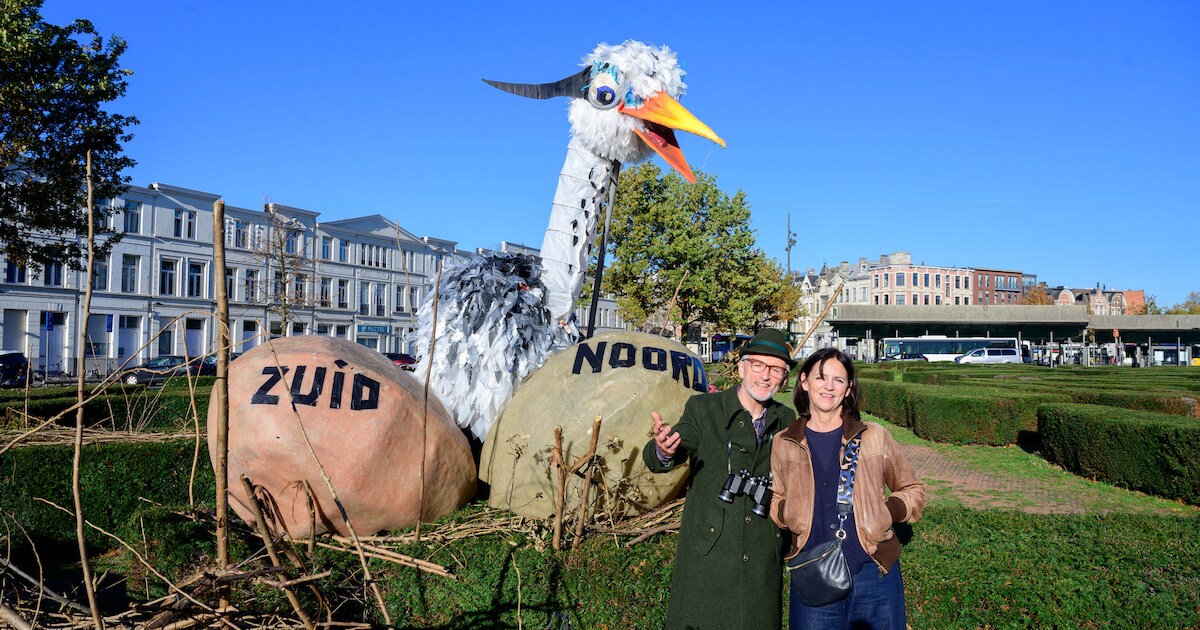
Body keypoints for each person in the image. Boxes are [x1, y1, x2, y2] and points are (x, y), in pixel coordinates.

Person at [643, 328, 797, 629]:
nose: (765, 376)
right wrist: (662, 449)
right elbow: (670, 451)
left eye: (776, 369)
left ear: (784, 378)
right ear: (741, 367)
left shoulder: (787, 420)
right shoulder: (704, 409)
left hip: (761, 555)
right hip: (708, 556)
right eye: (758, 365)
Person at [770, 348, 927, 629]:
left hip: (873, 572)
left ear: (848, 388)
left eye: (838, 380)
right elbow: (776, 495)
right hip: (813, 571)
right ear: (804, 381)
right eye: (821, 377)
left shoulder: (874, 436)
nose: (828, 386)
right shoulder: (785, 441)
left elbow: (913, 489)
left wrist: (888, 510)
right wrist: (786, 512)